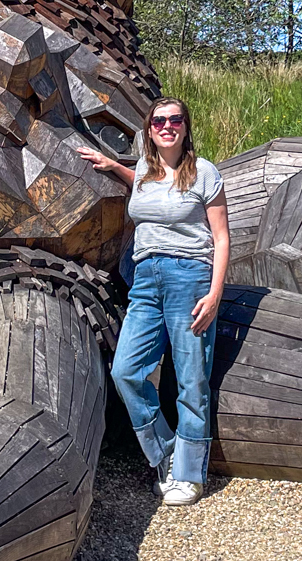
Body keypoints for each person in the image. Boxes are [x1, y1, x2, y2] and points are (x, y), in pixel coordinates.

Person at [80, 97, 229, 507]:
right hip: (145, 281)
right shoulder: (146, 171)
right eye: (159, 120)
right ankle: (164, 455)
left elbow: (221, 238)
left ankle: (189, 475)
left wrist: (214, 294)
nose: (167, 126)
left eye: (175, 119)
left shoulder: (204, 173)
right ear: (150, 129)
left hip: (190, 279)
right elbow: (146, 185)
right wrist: (113, 167)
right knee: (126, 370)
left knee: (191, 378)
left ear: (185, 126)